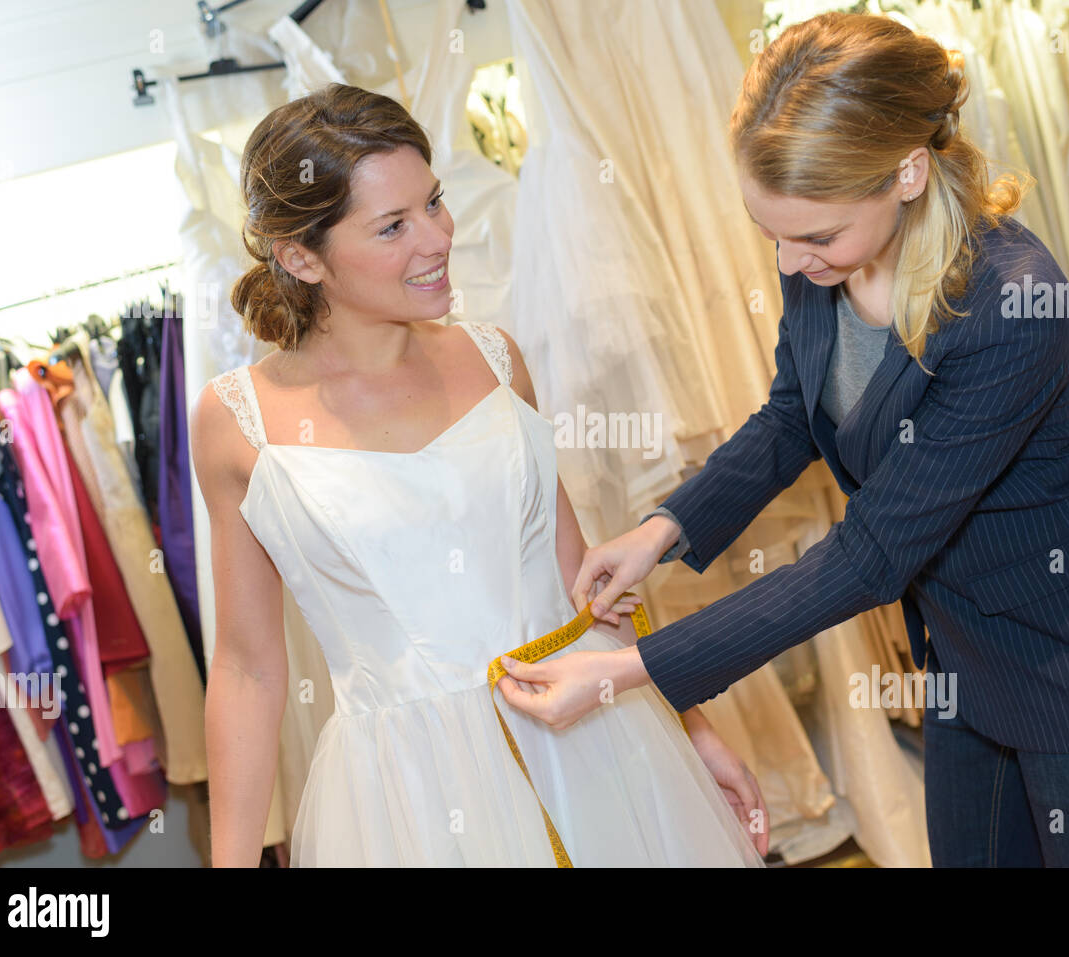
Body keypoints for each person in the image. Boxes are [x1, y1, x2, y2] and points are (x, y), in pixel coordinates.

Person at [499, 11, 1069, 868]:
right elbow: (793, 415)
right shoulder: (822, 257)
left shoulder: (1013, 304)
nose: (789, 263)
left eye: (815, 237)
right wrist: (663, 531)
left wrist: (628, 671)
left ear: (907, 171)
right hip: (962, 666)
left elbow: (871, 555)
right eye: (773, 236)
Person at [189, 83, 767, 867]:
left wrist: (691, 726)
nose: (436, 238)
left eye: (433, 202)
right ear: (300, 256)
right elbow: (250, 667)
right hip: (412, 798)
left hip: (598, 734)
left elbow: (585, 581)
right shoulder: (237, 423)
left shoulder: (495, 357)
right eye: (393, 226)